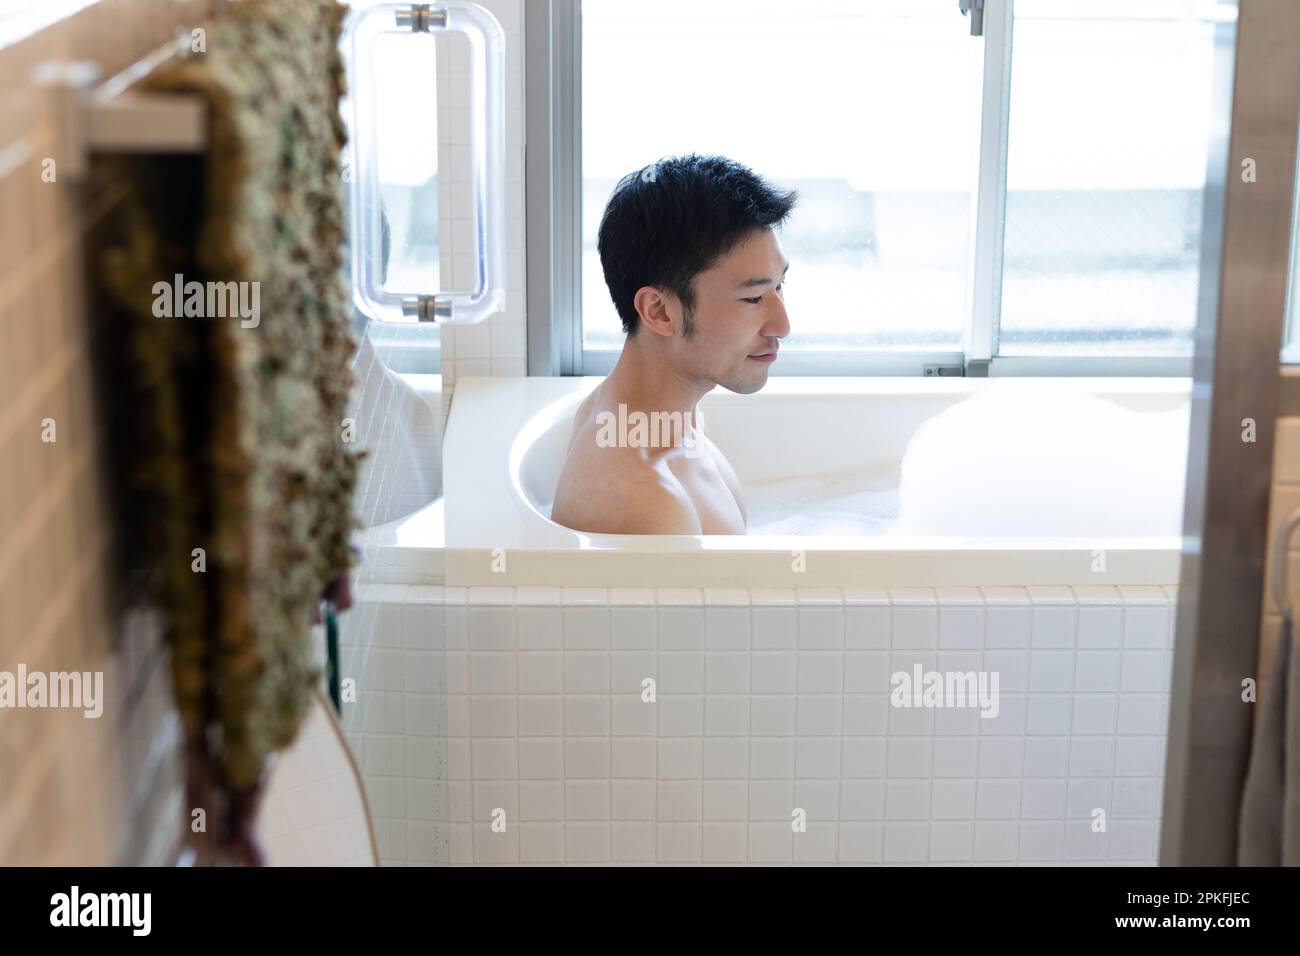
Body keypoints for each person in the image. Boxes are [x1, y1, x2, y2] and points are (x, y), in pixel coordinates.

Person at [551, 154, 797, 534]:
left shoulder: (663, 418)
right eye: (753, 298)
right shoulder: (643, 503)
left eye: (779, 286)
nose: (783, 325)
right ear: (660, 312)